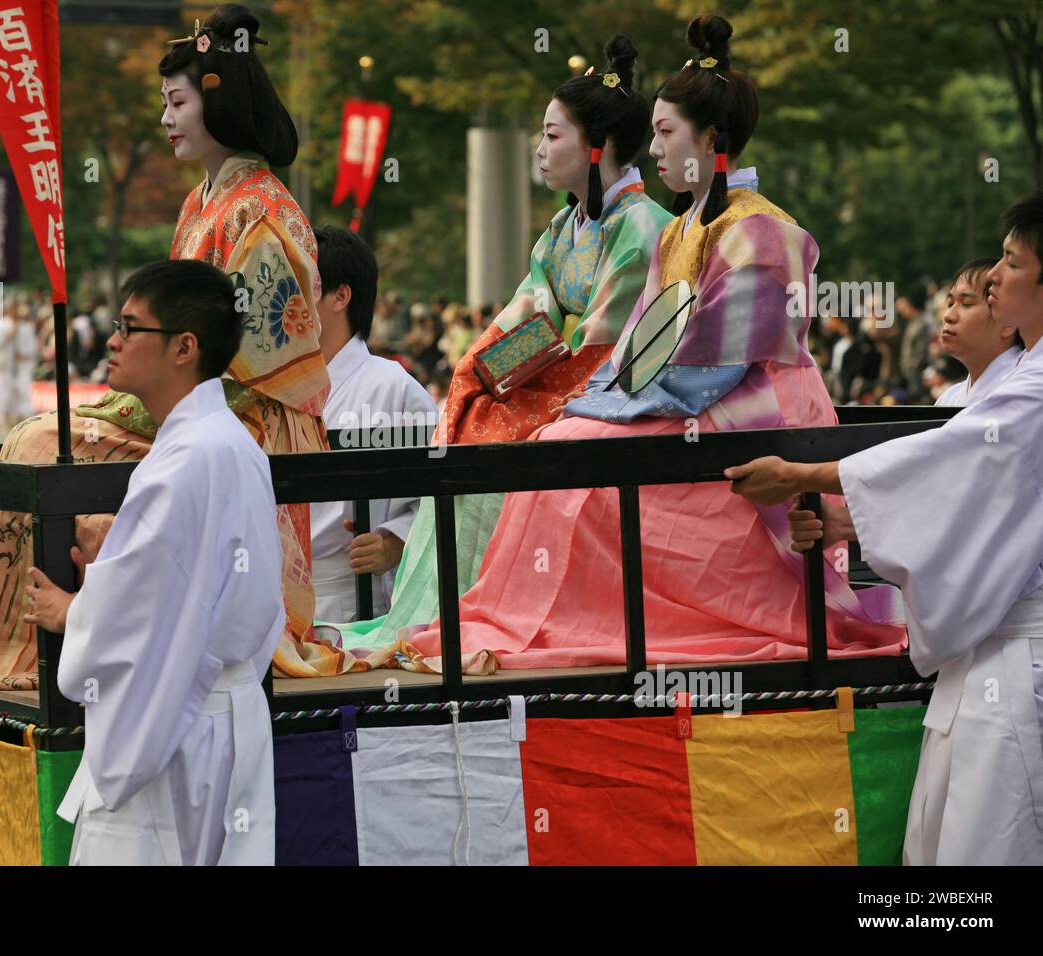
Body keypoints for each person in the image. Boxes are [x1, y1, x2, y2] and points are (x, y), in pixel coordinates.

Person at [410, 15, 906, 672]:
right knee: (502, 428)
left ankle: (572, 618)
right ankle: (525, 611)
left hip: (743, 399)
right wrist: (479, 374)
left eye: (667, 134)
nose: (657, 149)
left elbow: (688, 353)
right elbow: (540, 318)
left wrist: (592, 401)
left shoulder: (727, 229)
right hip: (640, 387)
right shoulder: (600, 231)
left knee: (568, 455)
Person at [0, 3, 337, 688]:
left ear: (220, 102)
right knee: (38, 437)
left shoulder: (260, 210)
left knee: (37, 444)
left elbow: (261, 363)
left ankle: (39, 650)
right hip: (190, 405)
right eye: (165, 103)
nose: (166, 118)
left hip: (244, 421)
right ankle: (25, 645)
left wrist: (139, 402)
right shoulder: (200, 204)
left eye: (176, 102)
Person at [726, 195, 1043, 866]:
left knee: (991, 844)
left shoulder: (1033, 387)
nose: (992, 281)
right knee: (949, 845)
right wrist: (843, 519)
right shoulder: (1002, 388)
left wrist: (801, 474)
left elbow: (941, 470)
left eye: (1011, 264)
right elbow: (960, 505)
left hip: (1020, 647)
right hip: (985, 649)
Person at [333, 33, 672, 658]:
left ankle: (478, 619)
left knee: (487, 451)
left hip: (610, 392)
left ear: (595, 146)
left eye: (552, 135)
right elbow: (525, 315)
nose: (539, 149)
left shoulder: (643, 227)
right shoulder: (564, 227)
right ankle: (442, 618)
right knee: (465, 423)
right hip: (563, 380)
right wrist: (476, 377)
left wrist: (503, 384)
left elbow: (596, 340)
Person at [24, 260, 284, 866]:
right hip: (224, 710)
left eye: (130, 326)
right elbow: (176, 587)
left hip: (176, 719)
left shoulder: (186, 457)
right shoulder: (226, 442)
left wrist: (73, 611)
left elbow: (142, 616)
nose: (112, 340)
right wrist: (112, 574)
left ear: (183, 347)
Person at [309, 226, 437, 622]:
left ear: (340, 296)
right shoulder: (276, 389)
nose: (285, 303)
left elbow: (442, 492)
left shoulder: (393, 387)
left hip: (350, 600)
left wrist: (395, 541)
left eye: (300, 287)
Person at [934, 257, 1023, 407]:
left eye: (967, 304)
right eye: (950, 304)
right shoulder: (949, 399)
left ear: (1009, 322)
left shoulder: (1025, 392)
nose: (949, 316)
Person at [0, 305, 38, 429]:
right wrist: (9, 337)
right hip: (5, 368)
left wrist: (23, 356)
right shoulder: (0, 326)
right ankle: (6, 422)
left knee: (22, 394)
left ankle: (21, 422)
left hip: (21, 368)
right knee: (4, 395)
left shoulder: (26, 327)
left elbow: (32, 350)